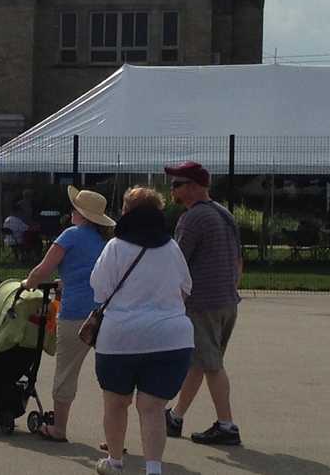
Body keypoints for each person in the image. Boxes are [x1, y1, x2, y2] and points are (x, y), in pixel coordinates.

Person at [91, 186, 194, 475]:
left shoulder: (115, 247)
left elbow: (99, 291)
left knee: (116, 403)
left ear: (126, 212)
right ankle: (153, 469)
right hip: (171, 339)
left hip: (120, 339)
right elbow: (186, 289)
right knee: (152, 408)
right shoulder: (172, 248)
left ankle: (114, 461)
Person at [21, 185, 116, 442]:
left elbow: (44, 269)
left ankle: (59, 428)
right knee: (112, 375)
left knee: (66, 372)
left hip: (75, 314)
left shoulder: (70, 235)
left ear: (80, 214)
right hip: (105, 314)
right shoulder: (104, 242)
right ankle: (114, 436)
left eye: (74, 208)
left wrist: (27, 283)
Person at [163, 161, 244, 446]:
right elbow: (238, 260)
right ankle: (175, 416)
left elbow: (177, 262)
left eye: (177, 184)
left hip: (203, 304)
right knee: (199, 362)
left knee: (211, 365)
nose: (172, 189)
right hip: (226, 300)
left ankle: (227, 426)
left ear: (194, 187)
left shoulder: (193, 218)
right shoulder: (224, 213)